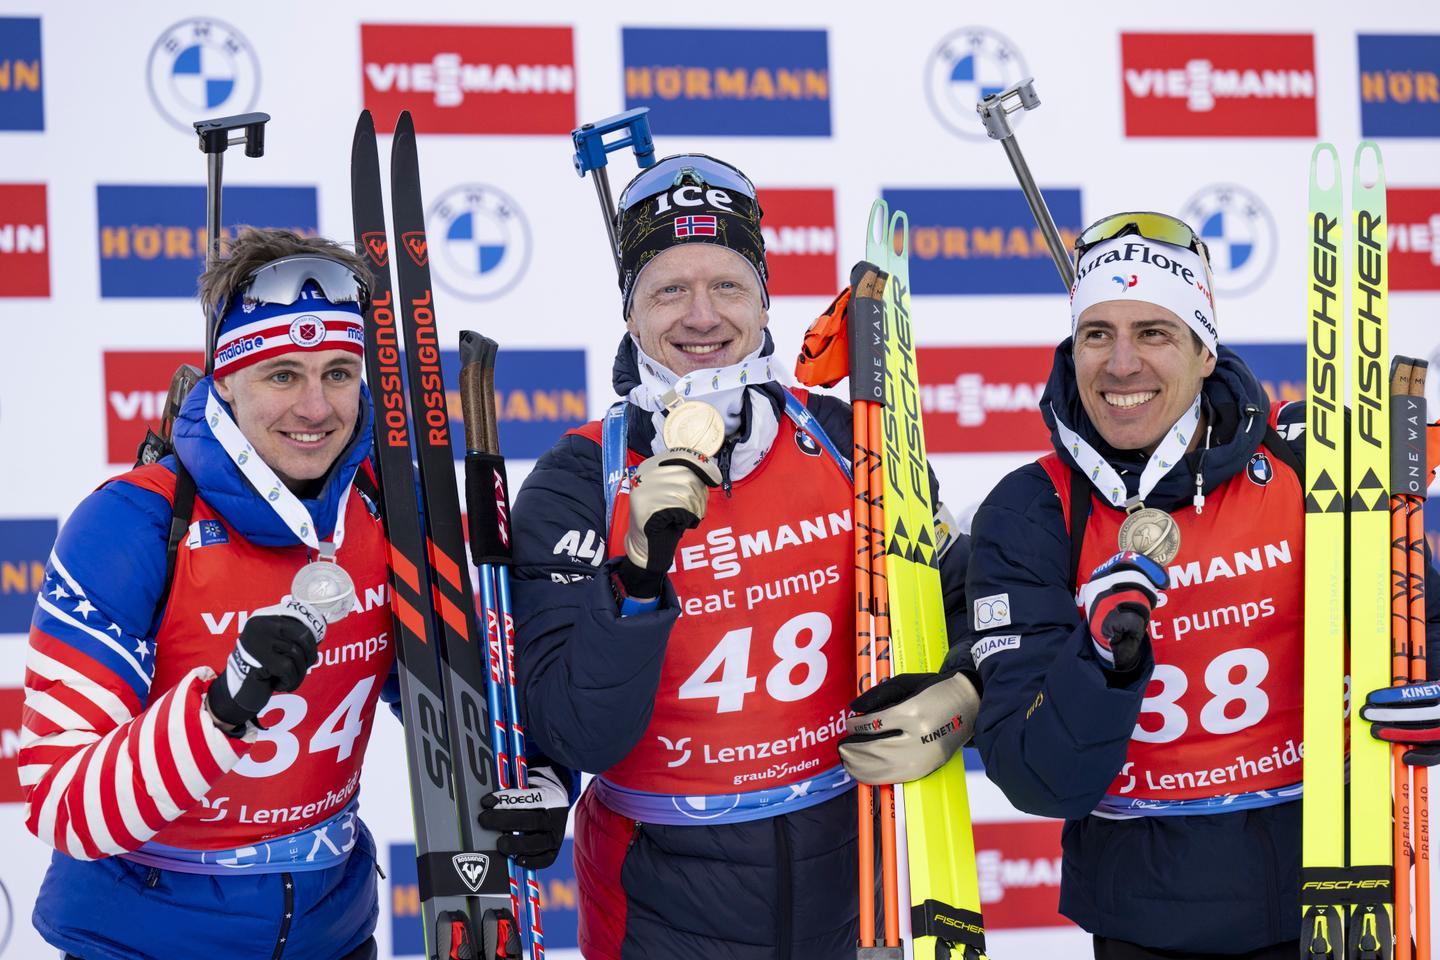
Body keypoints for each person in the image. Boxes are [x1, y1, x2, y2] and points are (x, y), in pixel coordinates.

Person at [508, 154, 977, 958]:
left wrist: (966, 689)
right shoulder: (579, 479)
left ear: (764, 300)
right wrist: (637, 577)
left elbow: (969, 600)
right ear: (631, 315)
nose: (701, 316)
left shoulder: (849, 436)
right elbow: (575, 731)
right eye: (667, 290)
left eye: (727, 285)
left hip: (854, 875)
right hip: (659, 896)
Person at [951, 213, 1440, 959]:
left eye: (1154, 333)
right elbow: (1039, 781)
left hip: (1335, 891)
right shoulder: (1033, 510)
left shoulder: (1310, 458)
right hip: (1145, 920)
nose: (1120, 366)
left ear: (1205, 349)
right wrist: (1104, 659)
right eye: (1097, 334)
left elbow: (1423, 626)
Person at [20, 228, 395, 960]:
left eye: (339, 373)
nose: (316, 409)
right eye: (281, 375)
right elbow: (65, 804)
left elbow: (458, 707)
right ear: (224, 380)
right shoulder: (134, 525)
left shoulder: (384, 507)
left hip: (334, 935)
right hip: (144, 943)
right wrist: (221, 707)